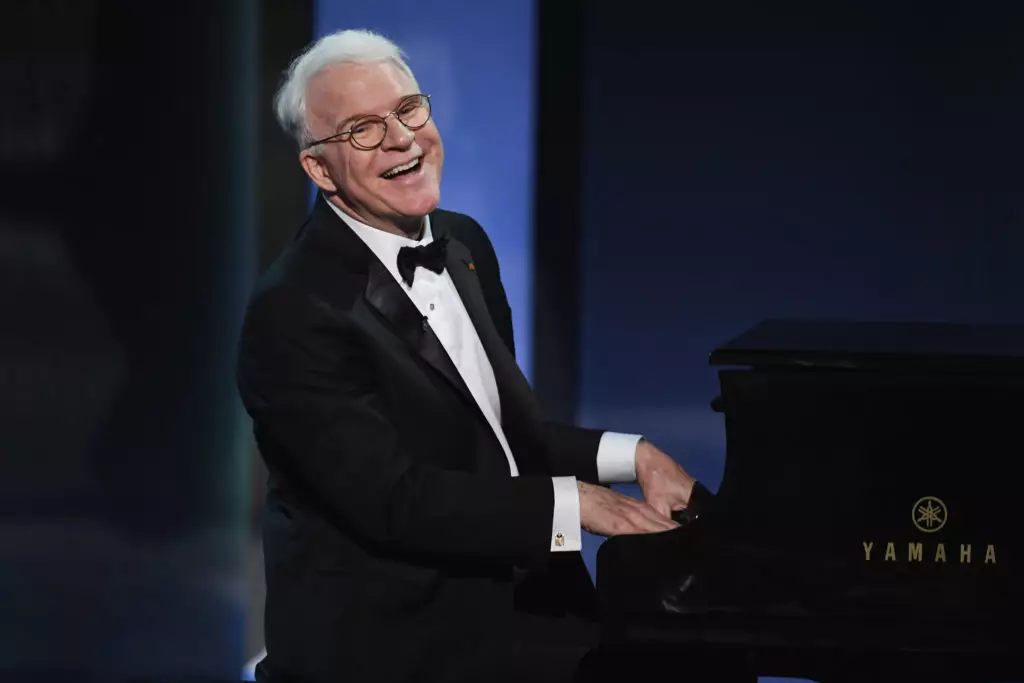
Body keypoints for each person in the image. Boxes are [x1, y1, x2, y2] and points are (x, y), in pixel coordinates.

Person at [236, 28, 701, 683]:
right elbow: (394, 499)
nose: (402, 139)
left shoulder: (461, 241)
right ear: (318, 168)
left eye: (408, 110)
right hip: (396, 642)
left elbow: (499, 437)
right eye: (364, 130)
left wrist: (634, 455)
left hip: (523, 605)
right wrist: (575, 507)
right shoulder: (295, 311)